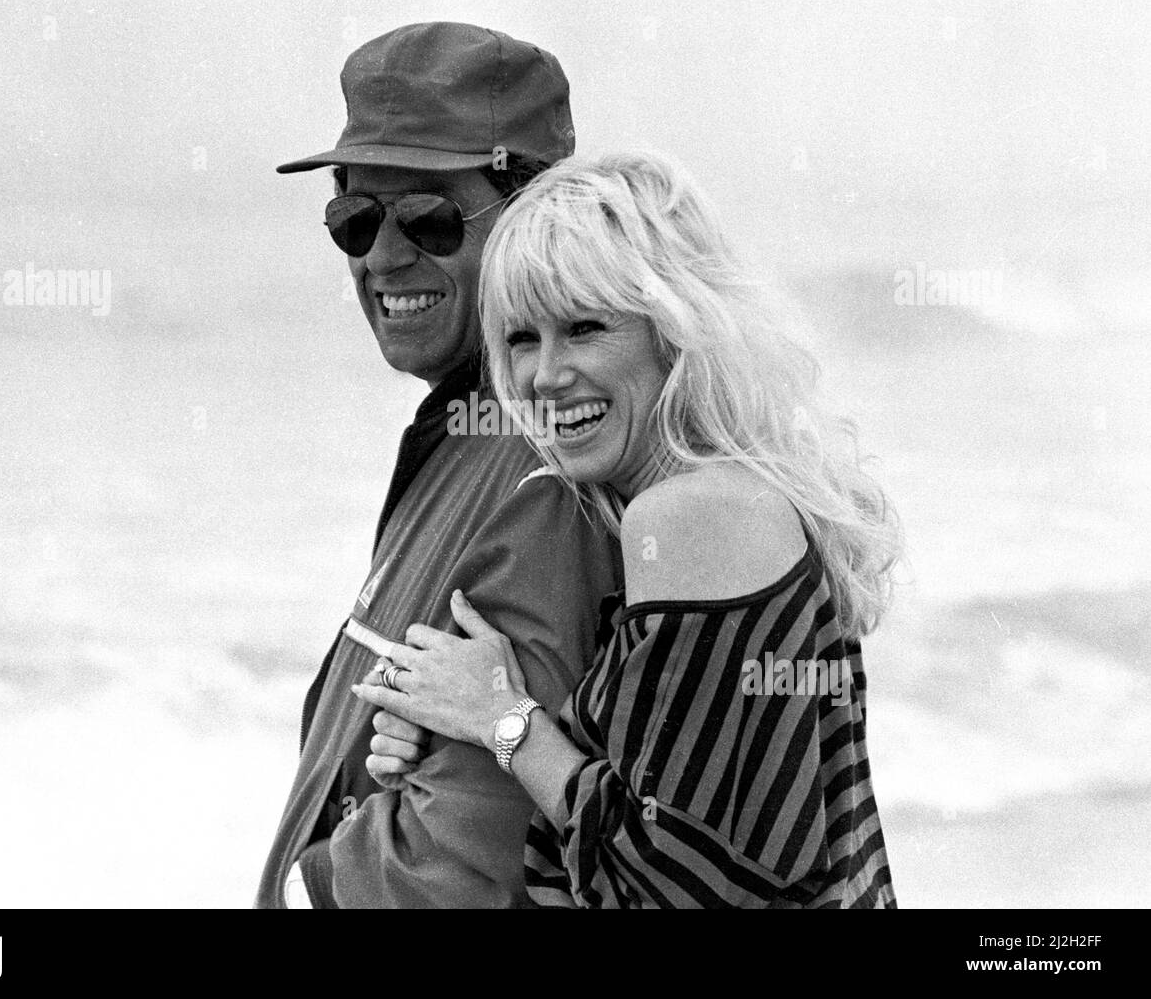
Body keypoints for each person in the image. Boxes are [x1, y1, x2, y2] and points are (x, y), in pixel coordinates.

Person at [356, 151, 902, 908]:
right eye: (521, 339)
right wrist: (447, 737)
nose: (545, 376)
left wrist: (501, 720)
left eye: (584, 328)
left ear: (672, 330)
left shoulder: (690, 516)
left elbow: (655, 880)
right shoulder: (718, 499)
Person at [254, 22, 621, 909]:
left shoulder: (549, 457)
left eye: (428, 215)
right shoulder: (471, 425)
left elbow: (462, 861)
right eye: (356, 217)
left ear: (539, 216)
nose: (381, 254)